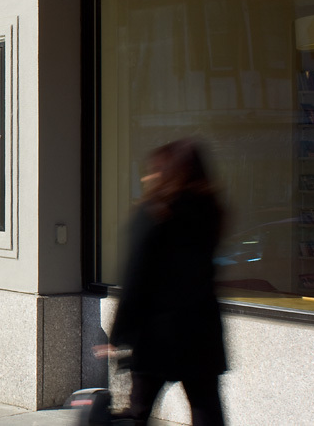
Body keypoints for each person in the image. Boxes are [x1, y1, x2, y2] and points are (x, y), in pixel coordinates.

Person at [95, 139, 228, 426]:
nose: (146, 176)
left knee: (138, 409)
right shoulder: (212, 211)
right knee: (206, 407)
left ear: (168, 173)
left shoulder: (154, 213)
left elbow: (136, 278)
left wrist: (119, 335)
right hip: (201, 326)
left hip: (158, 331)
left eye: (153, 170)